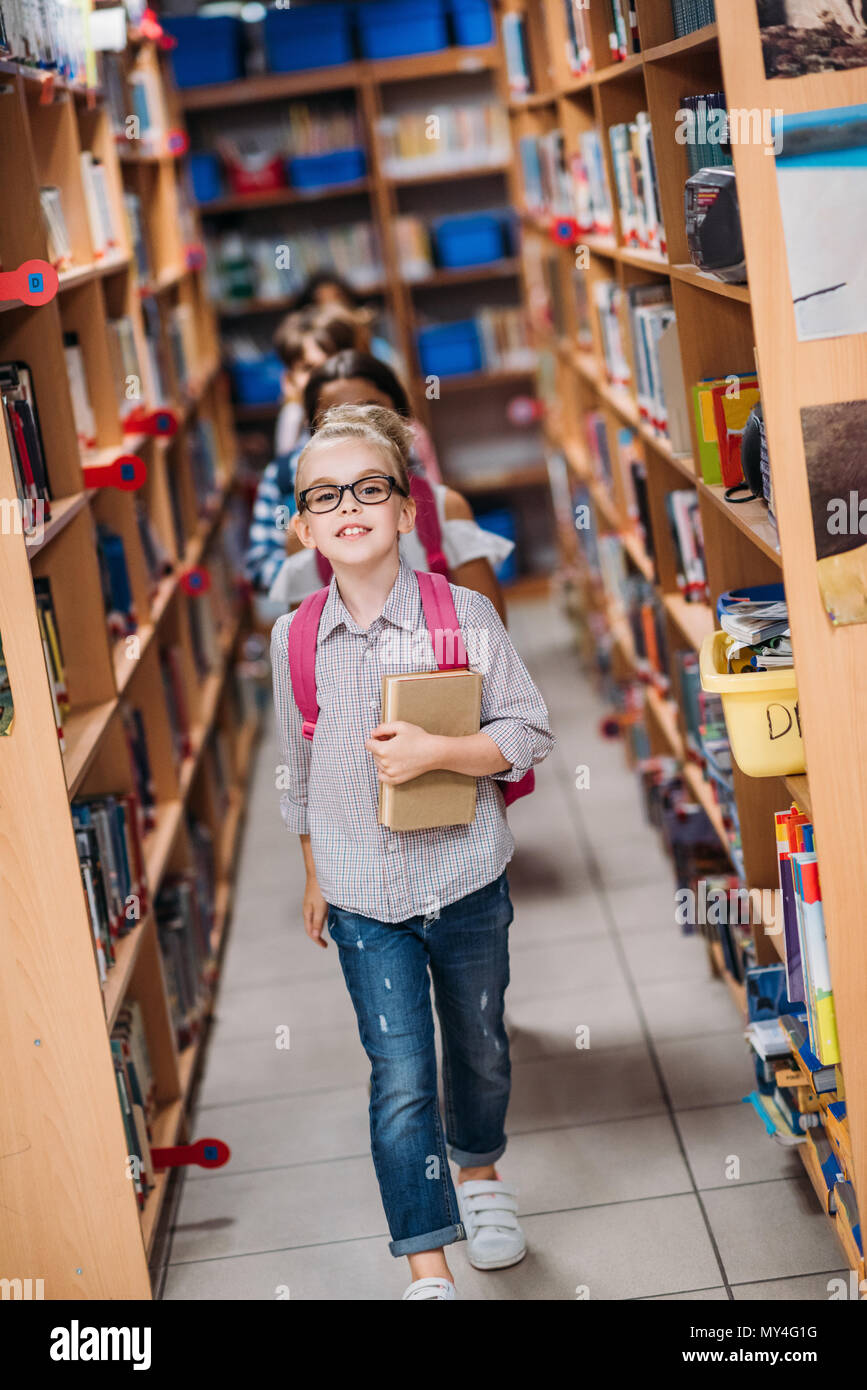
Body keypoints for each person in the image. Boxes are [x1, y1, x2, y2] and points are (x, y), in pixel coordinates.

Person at [270, 403, 554, 1300]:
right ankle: (425, 1257)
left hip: (464, 876)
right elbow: (297, 769)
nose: (348, 504)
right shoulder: (293, 639)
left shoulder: (460, 614)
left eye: (369, 487)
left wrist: (441, 755)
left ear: (404, 511)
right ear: (304, 525)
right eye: (325, 494)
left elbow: (528, 730)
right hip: (360, 895)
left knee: (477, 1044)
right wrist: (315, 874)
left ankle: (479, 1175)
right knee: (399, 1075)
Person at [246, 351, 507, 617]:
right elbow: (305, 648)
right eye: (336, 419)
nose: (358, 430)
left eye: (373, 413)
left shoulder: (445, 509)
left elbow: (487, 635)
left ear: (402, 419)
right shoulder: (306, 537)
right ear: (314, 437)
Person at [272, 304, 359, 457]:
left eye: (332, 363)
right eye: (308, 368)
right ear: (289, 380)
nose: (323, 375)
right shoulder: (293, 419)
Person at [288, 271, 403, 374]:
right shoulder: (303, 351)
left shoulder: (379, 349)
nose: (332, 306)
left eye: (337, 298)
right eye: (320, 301)